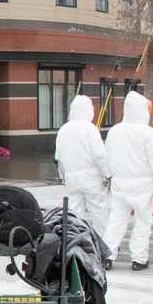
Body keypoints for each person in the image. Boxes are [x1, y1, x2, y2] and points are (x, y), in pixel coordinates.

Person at [102, 91, 153, 271]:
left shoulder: (115, 131)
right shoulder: (148, 133)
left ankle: (107, 256)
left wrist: (107, 177)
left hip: (120, 183)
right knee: (143, 220)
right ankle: (139, 259)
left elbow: (107, 156)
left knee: (116, 219)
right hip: (142, 184)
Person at [54, 95, 112, 236]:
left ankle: (76, 239)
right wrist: (108, 174)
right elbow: (99, 155)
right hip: (91, 177)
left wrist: (64, 177)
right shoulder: (90, 129)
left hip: (71, 177)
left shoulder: (63, 129)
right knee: (99, 210)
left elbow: (58, 158)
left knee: (75, 211)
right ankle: (102, 241)